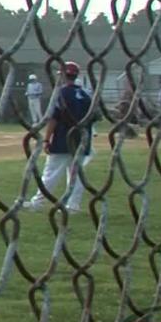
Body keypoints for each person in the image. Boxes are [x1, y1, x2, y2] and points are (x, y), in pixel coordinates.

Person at [24, 61, 96, 213]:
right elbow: (93, 117)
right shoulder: (85, 95)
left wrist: (46, 139)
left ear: (64, 75)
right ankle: (73, 206)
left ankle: (38, 202)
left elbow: (53, 118)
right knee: (76, 174)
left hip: (63, 139)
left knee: (51, 173)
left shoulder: (61, 93)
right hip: (82, 140)